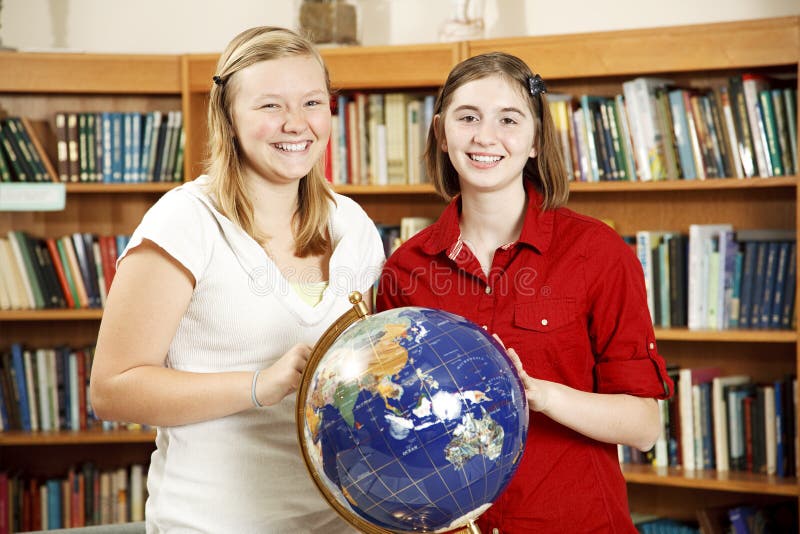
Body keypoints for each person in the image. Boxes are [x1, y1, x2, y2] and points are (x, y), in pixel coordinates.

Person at [90, 26, 384, 533]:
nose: (297, 124)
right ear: (228, 115)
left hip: (342, 522)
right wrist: (258, 385)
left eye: (312, 101)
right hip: (213, 521)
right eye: (270, 105)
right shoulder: (184, 221)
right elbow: (112, 391)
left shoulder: (353, 225)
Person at [376, 52, 673, 533]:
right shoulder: (405, 269)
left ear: (535, 140)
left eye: (508, 119)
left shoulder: (597, 252)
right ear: (440, 132)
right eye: (467, 117)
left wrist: (543, 395)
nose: (484, 136)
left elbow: (644, 427)